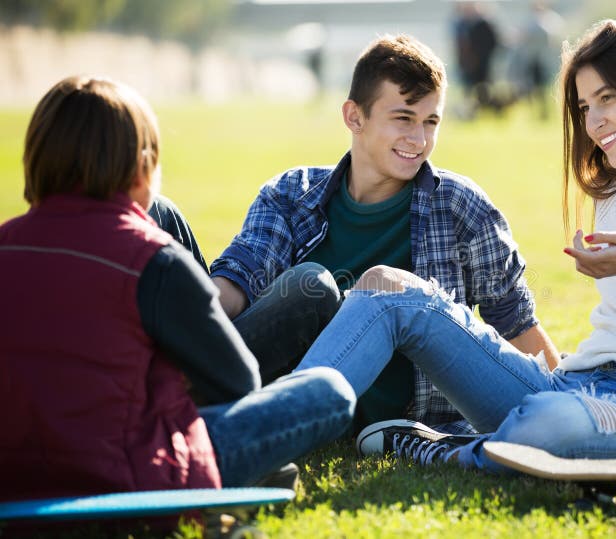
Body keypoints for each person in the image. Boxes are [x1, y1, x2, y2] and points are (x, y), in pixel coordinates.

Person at [294, 20, 616, 471]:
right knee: (389, 289)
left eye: (606, 99)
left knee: (546, 425)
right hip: (571, 383)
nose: (593, 123)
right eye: (585, 107)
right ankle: (270, 432)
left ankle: (441, 448)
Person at [0, 75, 356, 503]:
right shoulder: (154, 259)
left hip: (16, 478)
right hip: (134, 480)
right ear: (142, 167)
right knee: (328, 392)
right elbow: (237, 382)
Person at [209, 34, 559, 433]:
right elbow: (240, 277)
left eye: (431, 122)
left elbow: (515, 323)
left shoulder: (461, 207)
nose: (420, 140)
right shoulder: (290, 195)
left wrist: (570, 404)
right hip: (285, 389)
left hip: (408, 416)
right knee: (310, 285)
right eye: (403, 118)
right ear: (354, 117)